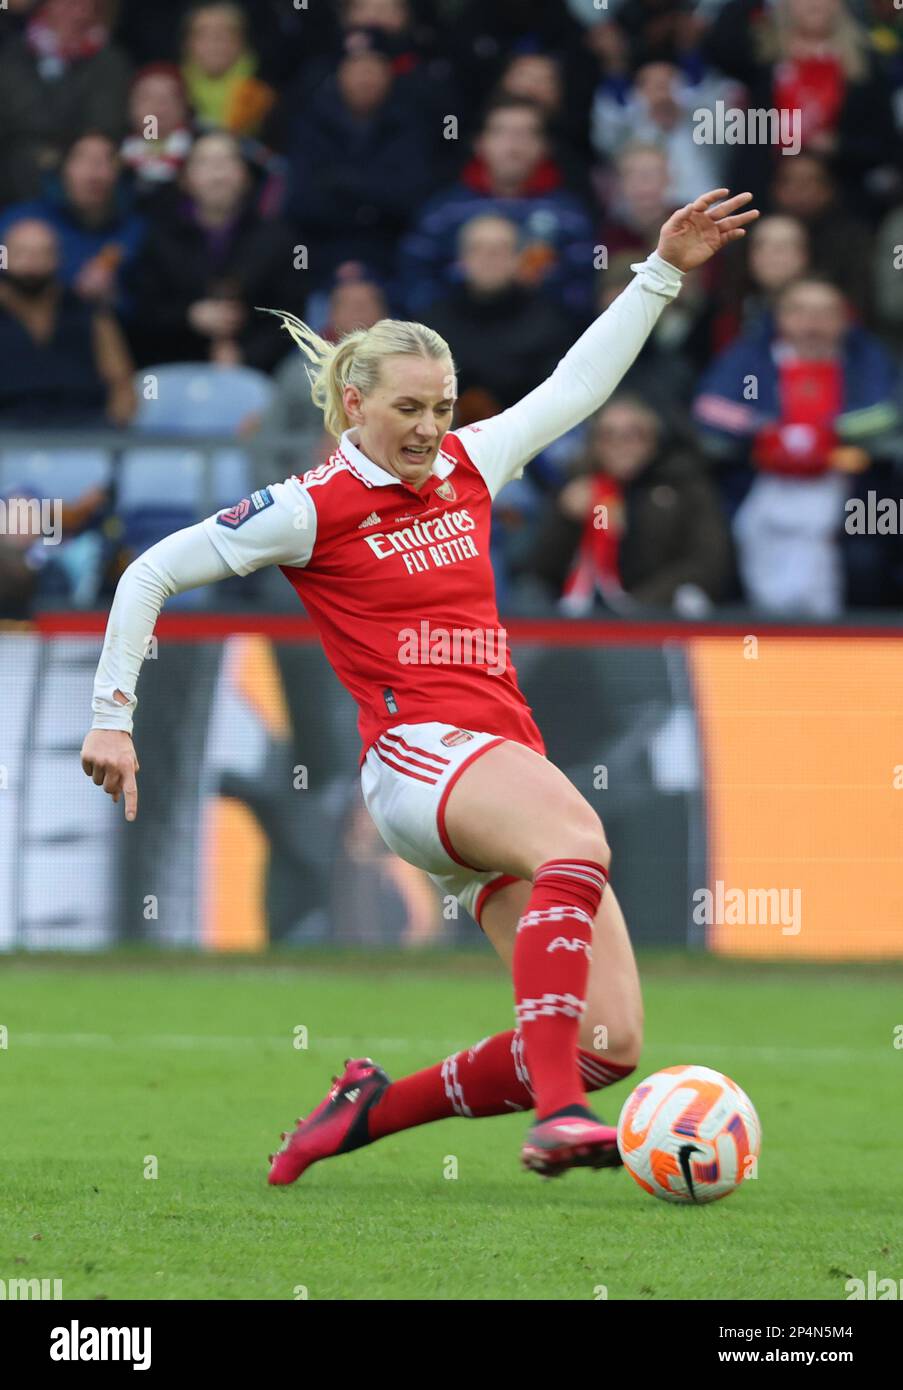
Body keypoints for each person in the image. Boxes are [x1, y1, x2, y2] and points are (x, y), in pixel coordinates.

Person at [80, 187, 758, 1182]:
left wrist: (658, 273)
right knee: (579, 841)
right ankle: (561, 1118)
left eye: (441, 407)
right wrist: (113, 719)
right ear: (356, 402)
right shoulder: (310, 506)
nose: (430, 427)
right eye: (409, 408)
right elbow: (149, 571)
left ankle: (364, 1109)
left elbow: (574, 390)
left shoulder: (470, 463)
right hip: (420, 758)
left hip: (495, 770)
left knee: (607, 1037)